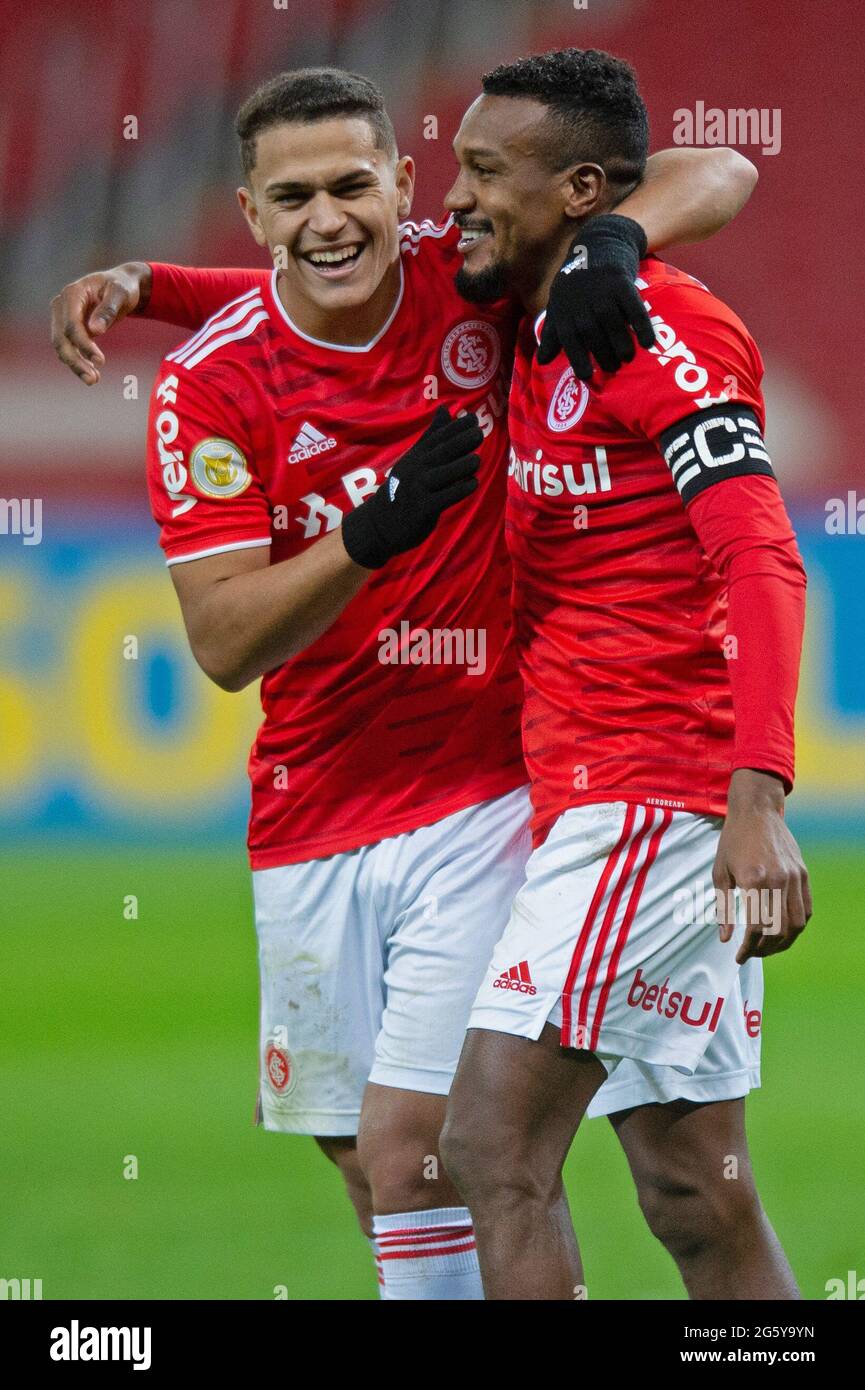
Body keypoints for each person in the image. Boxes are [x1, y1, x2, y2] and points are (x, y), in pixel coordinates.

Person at [50, 65, 757, 1300]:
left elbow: (724, 165)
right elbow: (223, 647)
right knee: (376, 1164)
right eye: (291, 197)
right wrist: (371, 530)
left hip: (492, 791)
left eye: (350, 185)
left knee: (442, 1147)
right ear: (251, 211)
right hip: (310, 806)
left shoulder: (464, 273)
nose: (327, 217)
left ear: (402, 187)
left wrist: (615, 243)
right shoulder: (209, 387)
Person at [433, 48, 811, 1300]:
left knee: (491, 1144)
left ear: (580, 191)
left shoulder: (654, 324)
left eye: (486, 171)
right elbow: (326, 272)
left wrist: (757, 798)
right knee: (697, 1194)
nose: (457, 195)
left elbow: (758, 553)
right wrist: (143, 284)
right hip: (604, 790)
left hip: (647, 795)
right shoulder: (526, 306)